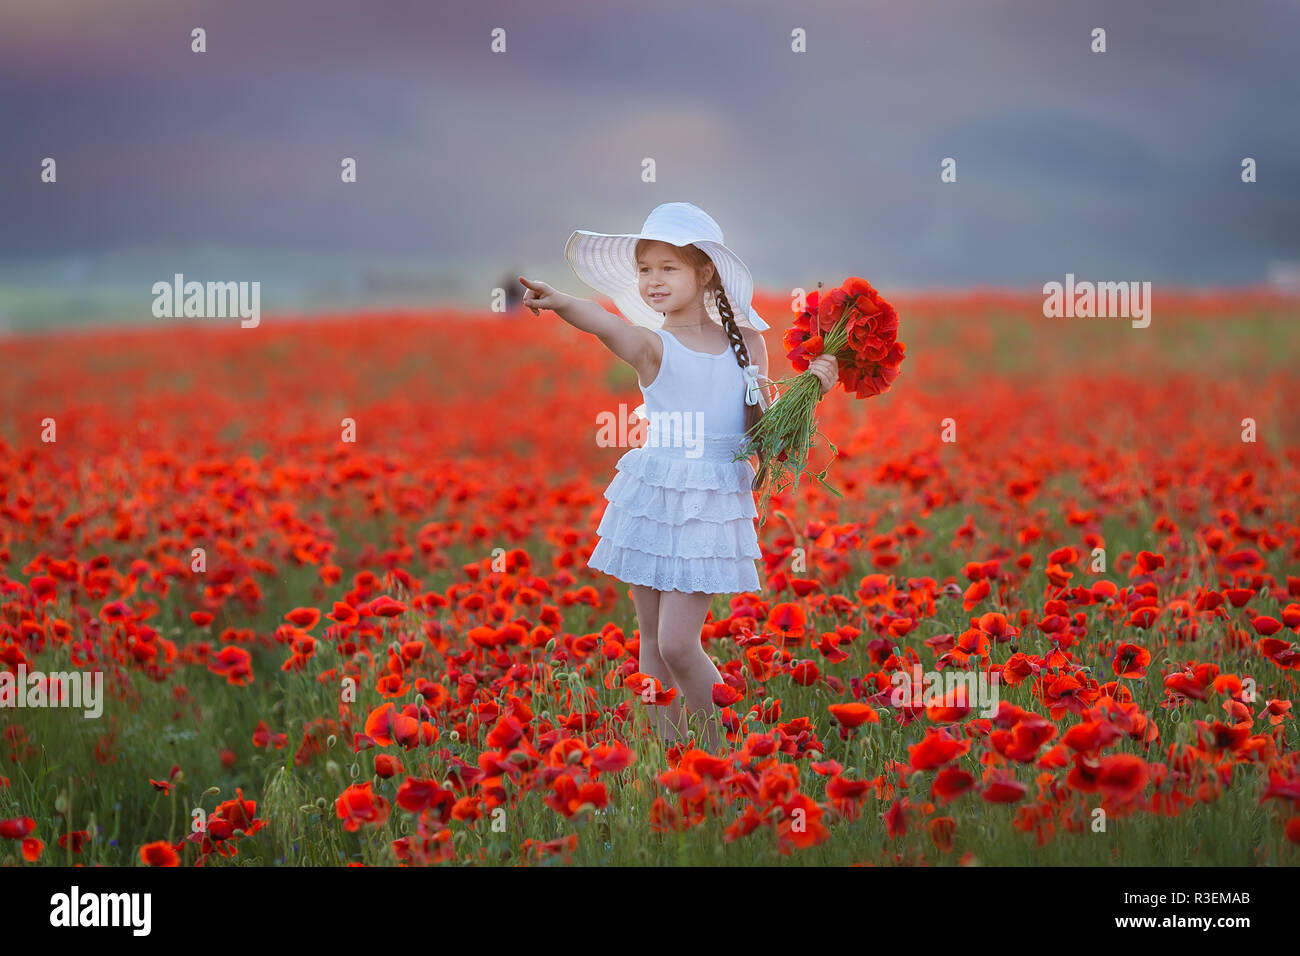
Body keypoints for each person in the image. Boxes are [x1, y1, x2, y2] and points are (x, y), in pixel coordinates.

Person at [518, 202, 836, 755]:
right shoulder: (651, 344)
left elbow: (764, 438)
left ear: (704, 272)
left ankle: (731, 754)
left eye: (668, 267)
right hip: (655, 493)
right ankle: (669, 760)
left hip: (710, 499)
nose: (652, 280)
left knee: (679, 643)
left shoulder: (748, 343)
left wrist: (814, 389)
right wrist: (562, 300)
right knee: (651, 643)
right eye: (644, 269)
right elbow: (606, 323)